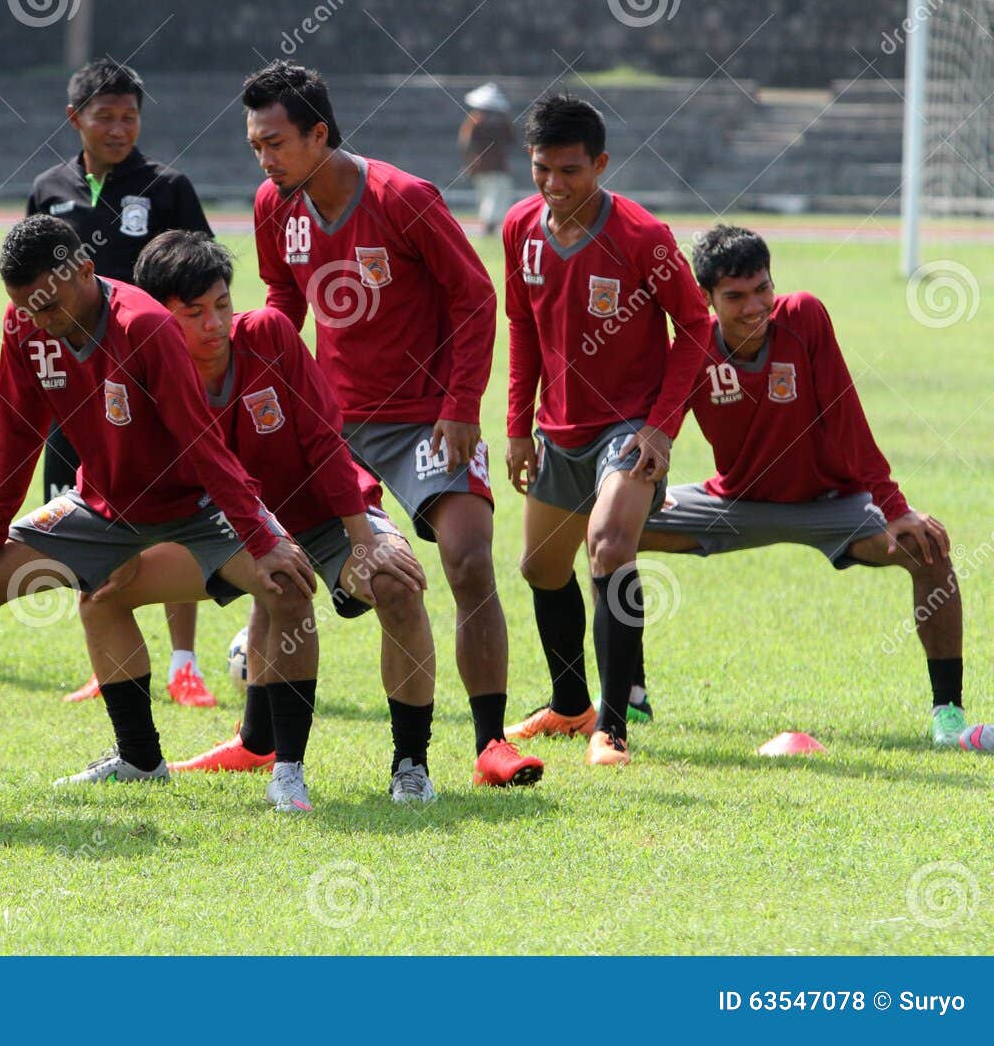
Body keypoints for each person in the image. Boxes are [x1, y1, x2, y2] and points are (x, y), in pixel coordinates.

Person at [104, 230, 543, 797]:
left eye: (222, 305)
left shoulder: (268, 334)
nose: (214, 324)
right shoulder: (142, 369)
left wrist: (363, 540)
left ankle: (410, 766)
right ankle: (145, 756)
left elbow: (325, 441)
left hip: (324, 516)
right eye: (194, 314)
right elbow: (125, 468)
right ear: (159, 317)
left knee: (398, 584)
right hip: (226, 530)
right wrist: (120, 542)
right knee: (106, 589)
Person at [0, 215, 324, 812]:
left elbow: (201, 443)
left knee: (288, 585)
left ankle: (288, 774)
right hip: (100, 508)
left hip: (195, 507)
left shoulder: (143, 325)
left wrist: (260, 537)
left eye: (48, 305)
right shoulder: (25, 325)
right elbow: (16, 438)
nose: (37, 319)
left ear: (85, 272)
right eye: (25, 307)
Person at [244, 60, 540, 788]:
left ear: (319, 134)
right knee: (277, 557)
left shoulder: (403, 198)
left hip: (425, 423)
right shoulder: (273, 205)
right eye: (255, 146)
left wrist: (460, 404)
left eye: (275, 143)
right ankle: (256, 740)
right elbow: (283, 298)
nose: (265, 159)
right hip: (329, 422)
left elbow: (474, 297)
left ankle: (491, 744)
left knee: (468, 559)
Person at [639, 224, 967, 746]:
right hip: (734, 501)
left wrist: (894, 507)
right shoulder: (692, 345)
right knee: (612, 533)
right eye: (736, 296)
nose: (754, 307)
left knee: (929, 550)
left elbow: (845, 414)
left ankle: (948, 716)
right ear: (706, 298)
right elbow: (661, 427)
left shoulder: (803, 317)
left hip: (831, 504)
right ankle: (629, 697)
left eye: (762, 289)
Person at [502, 94, 713, 767]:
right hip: (557, 428)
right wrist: (517, 425)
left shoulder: (643, 235)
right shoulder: (519, 228)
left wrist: (661, 427)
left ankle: (613, 727)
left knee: (609, 546)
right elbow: (523, 328)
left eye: (570, 170)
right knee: (540, 567)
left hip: (627, 426)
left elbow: (696, 325)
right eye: (542, 169)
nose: (554, 184)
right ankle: (570, 706)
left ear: (600, 164)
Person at [26, 58, 215, 706]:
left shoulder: (168, 187)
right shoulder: (48, 189)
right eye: (104, 116)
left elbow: (201, 277)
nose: (118, 128)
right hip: (73, 387)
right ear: (74, 118)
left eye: (129, 116)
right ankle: (107, 660)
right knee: (89, 517)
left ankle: (184, 664)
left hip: (150, 381)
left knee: (173, 512)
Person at [459, 83, 514, 237]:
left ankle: (489, 223)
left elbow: (465, 143)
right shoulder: (499, 121)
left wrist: (469, 162)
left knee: (488, 195)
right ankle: (489, 224)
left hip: (482, 165)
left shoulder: (474, 120)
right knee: (494, 194)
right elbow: (511, 139)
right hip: (495, 166)